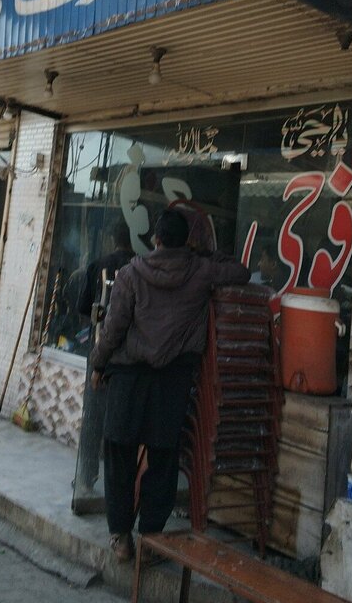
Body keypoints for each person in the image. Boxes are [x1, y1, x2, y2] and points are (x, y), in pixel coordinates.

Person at [90, 208, 250, 563]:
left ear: (156, 239)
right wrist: (202, 253)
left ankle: (120, 538)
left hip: (130, 377)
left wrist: (98, 364)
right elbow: (241, 271)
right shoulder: (201, 271)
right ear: (186, 242)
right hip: (173, 380)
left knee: (119, 455)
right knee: (163, 460)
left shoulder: (131, 274)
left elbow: (114, 328)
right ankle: (151, 537)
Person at [72, 222, 135, 499]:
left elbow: (84, 308)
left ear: (112, 239)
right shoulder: (141, 267)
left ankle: (85, 478)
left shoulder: (99, 265)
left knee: (94, 416)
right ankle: (119, 485)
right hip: (132, 358)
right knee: (123, 420)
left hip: (101, 351)